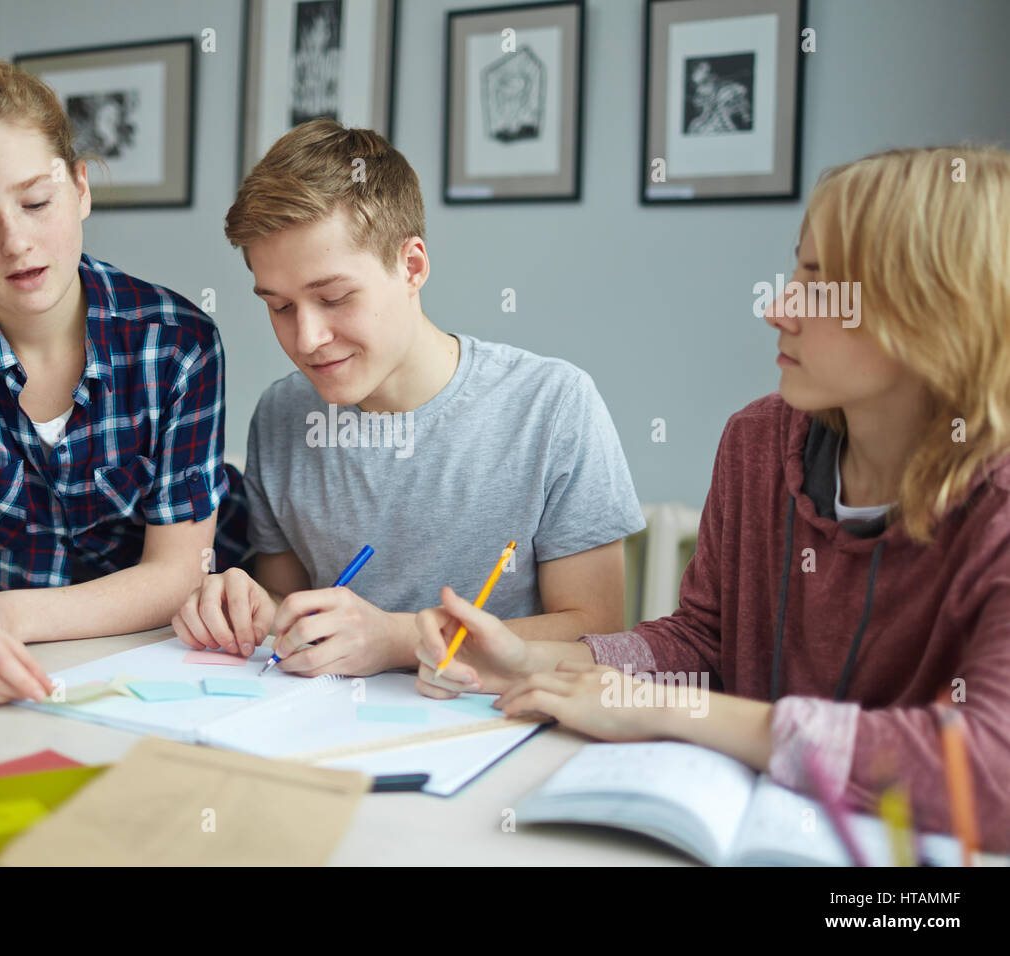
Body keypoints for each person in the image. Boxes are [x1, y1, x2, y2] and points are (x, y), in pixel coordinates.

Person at [415, 145, 1010, 849]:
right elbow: (704, 643)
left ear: (932, 317)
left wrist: (676, 714)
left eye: (818, 283)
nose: (778, 307)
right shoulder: (759, 443)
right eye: (797, 268)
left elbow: (988, 768)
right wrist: (533, 659)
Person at [172, 119, 644, 677]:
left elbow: (597, 633)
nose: (307, 339)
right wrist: (249, 608)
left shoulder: (553, 406)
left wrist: (397, 638)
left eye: (334, 297)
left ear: (412, 266)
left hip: (496, 724)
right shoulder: (281, 415)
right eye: (280, 306)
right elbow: (288, 605)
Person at [0, 59, 247, 707]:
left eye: (37, 202)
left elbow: (179, 573)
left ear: (81, 187)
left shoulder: (178, 340)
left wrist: (7, 616)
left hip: (171, 668)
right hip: (10, 676)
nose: (16, 243)